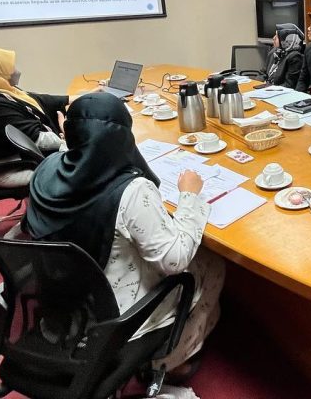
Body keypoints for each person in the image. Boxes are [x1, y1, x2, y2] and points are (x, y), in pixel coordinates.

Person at [25, 92, 224, 377]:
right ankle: (172, 359)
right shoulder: (130, 190)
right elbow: (174, 260)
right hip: (116, 318)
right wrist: (190, 196)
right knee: (212, 263)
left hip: (65, 303)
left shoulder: (45, 168)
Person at [0, 46, 69, 187]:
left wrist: (81, 97)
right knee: (92, 162)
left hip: (24, 155)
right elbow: (38, 140)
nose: (16, 71)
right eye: (10, 67)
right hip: (17, 167)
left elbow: (38, 99)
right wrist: (68, 137)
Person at [264, 23, 305, 87]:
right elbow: (263, 73)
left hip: (281, 93)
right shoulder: (273, 52)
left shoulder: (295, 57)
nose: (273, 38)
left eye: (277, 36)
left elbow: (289, 84)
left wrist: (269, 89)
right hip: (265, 89)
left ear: (286, 40)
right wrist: (257, 84)